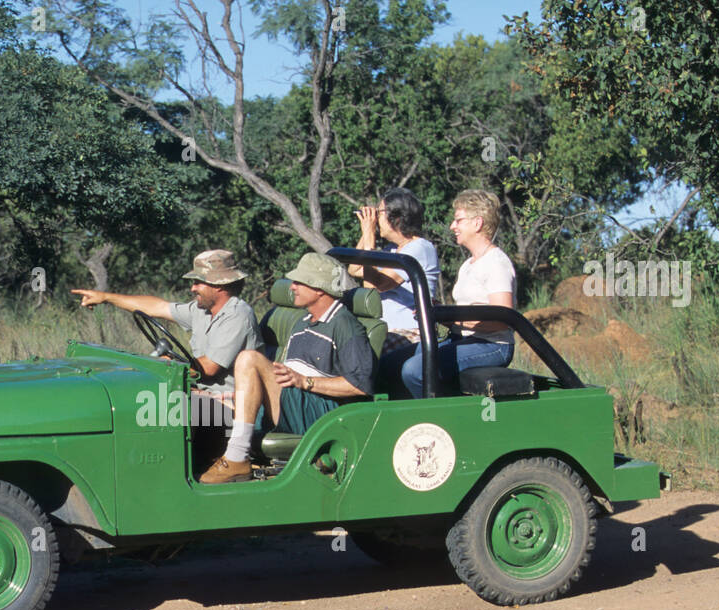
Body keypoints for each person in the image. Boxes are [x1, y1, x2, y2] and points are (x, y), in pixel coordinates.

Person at [199, 253, 374, 484]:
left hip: (322, 413)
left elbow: (360, 385)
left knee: (249, 359)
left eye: (300, 282)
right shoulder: (302, 322)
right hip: (294, 402)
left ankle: (236, 457)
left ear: (319, 288)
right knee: (202, 404)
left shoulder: (345, 325)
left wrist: (306, 382)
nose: (292, 287)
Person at [71, 249, 261, 398]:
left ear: (218, 285)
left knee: (148, 408)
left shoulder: (237, 315)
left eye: (198, 282)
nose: (192, 288)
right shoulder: (201, 309)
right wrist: (105, 297)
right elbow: (157, 307)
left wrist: (168, 364)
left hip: (229, 404)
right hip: (199, 393)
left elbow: (209, 368)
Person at [384, 189, 515, 399]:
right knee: (390, 363)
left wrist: (449, 316)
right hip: (461, 339)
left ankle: (434, 421)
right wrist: (437, 310)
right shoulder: (468, 265)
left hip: (492, 345)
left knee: (414, 370)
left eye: (458, 220)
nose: (453, 226)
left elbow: (503, 320)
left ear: (477, 223)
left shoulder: (496, 263)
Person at [348, 187, 440, 360]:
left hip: (409, 332)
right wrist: (366, 233)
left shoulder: (419, 248)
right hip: (384, 329)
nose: (376, 218)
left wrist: (369, 235)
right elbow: (354, 268)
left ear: (397, 218)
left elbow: (372, 287)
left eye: (379, 213)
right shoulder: (392, 250)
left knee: (360, 356)